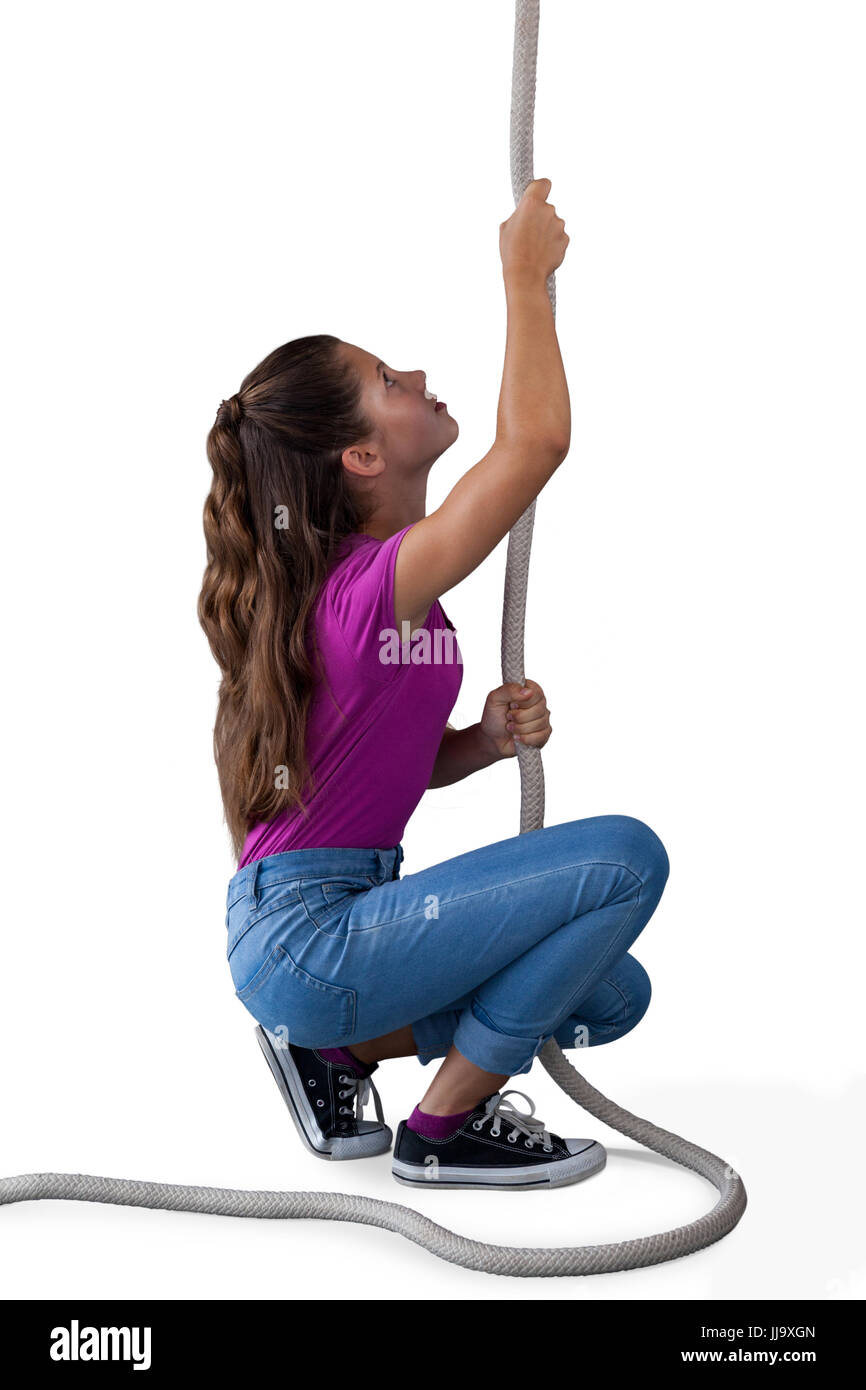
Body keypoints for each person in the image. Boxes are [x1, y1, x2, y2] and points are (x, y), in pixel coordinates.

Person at [198, 178, 670, 1191]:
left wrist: (480, 741)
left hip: (328, 923)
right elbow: (533, 446)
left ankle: (336, 1049)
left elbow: (366, 767)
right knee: (627, 860)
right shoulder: (376, 585)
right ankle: (441, 1128)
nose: (413, 371)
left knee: (609, 992)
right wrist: (524, 278)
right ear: (363, 455)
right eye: (385, 379)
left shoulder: (370, 597)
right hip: (314, 930)